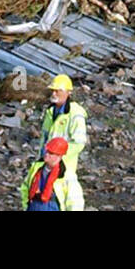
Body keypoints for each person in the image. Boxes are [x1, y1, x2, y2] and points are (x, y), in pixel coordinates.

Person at [39, 74, 87, 211]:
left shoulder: (75, 114)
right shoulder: (51, 111)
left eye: (58, 91)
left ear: (68, 92)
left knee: (65, 198)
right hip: (47, 163)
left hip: (64, 166)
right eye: (52, 90)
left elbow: (79, 142)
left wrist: (59, 156)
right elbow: (45, 138)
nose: (54, 94)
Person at [21, 137, 77, 212]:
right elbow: (25, 186)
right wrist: (25, 205)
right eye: (47, 151)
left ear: (59, 156)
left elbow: (74, 200)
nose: (46, 154)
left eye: (51, 153)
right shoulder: (36, 167)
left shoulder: (67, 175)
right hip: (33, 205)